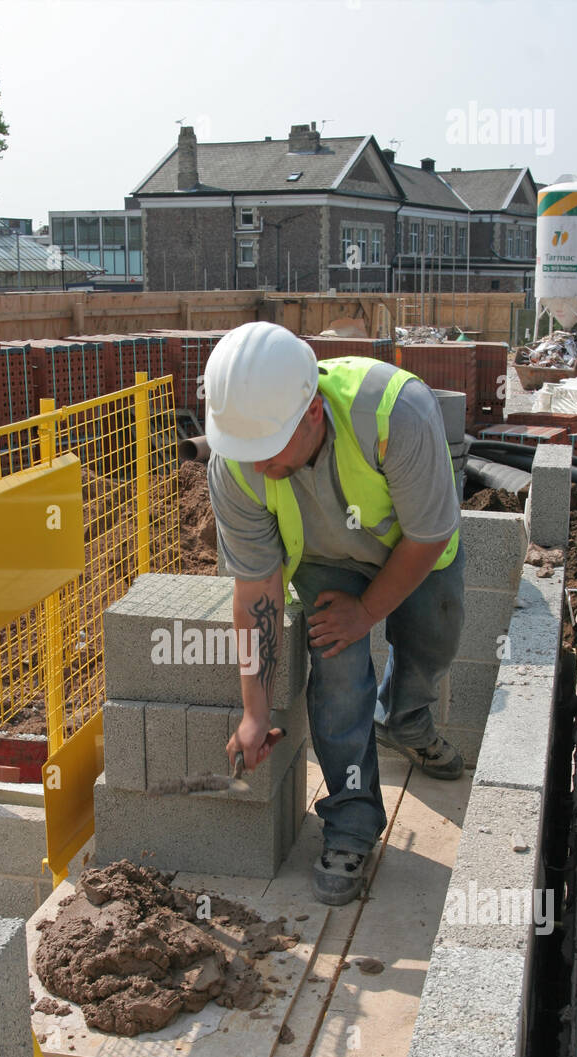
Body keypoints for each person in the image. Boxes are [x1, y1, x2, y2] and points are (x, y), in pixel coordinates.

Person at [204, 321, 466, 906]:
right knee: (339, 669)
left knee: (434, 638)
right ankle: (351, 821)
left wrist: (369, 611)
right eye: (243, 448)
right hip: (325, 561)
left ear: (314, 413)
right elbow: (256, 595)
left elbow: (427, 535)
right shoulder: (236, 464)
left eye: (267, 447)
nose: (255, 464)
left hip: (413, 547)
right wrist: (254, 711)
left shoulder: (397, 412)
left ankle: (407, 717)